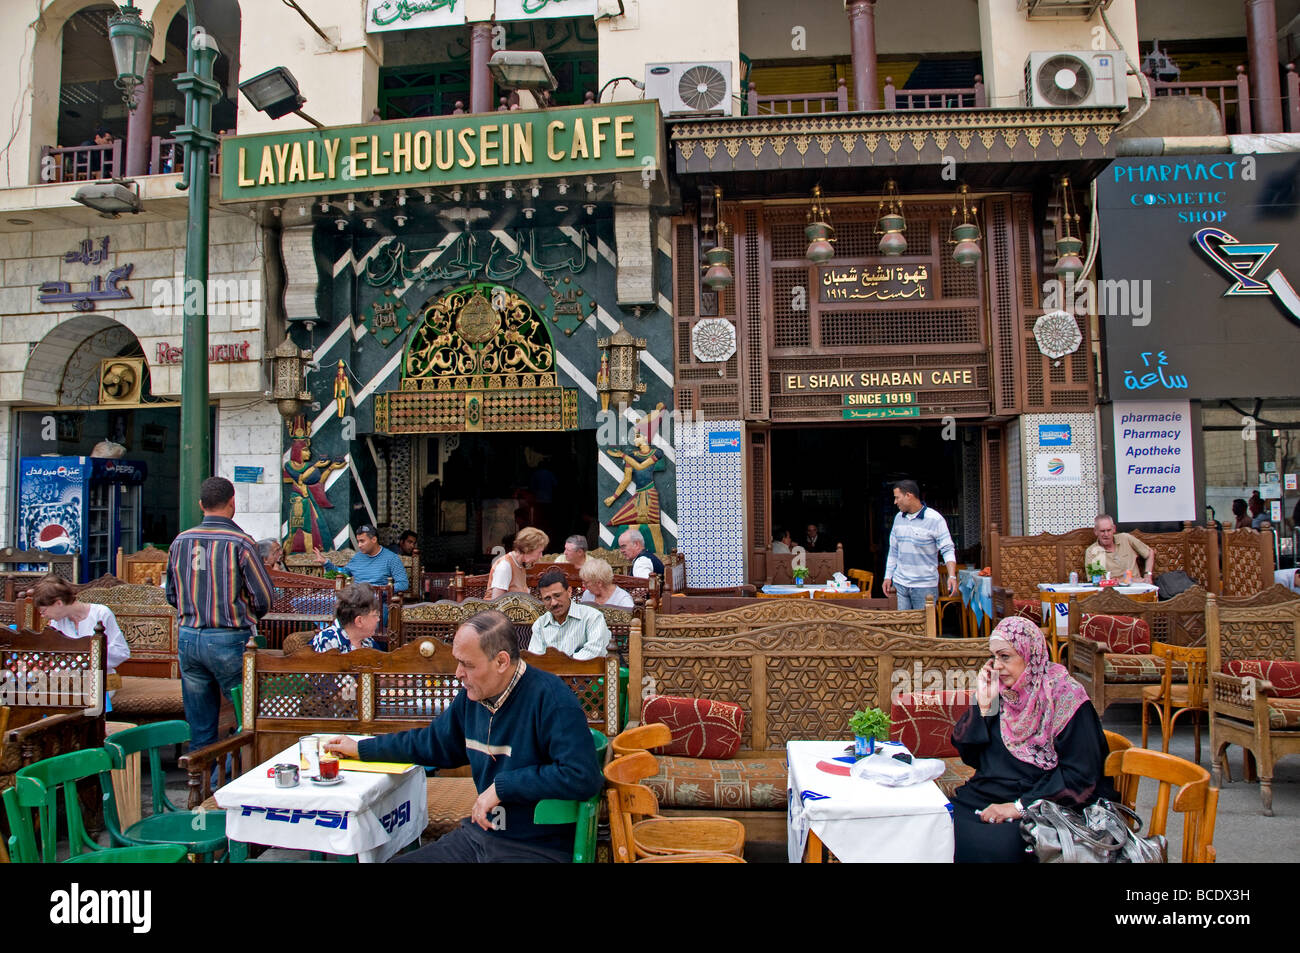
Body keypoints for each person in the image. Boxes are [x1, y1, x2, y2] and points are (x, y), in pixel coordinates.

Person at [323, 610, 603, 862]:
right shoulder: (472, 699)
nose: (458, 674)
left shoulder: (551, 699)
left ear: (501, 661)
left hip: (536, 847)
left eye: (467, 664)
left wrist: (503, 787)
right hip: (478, 837)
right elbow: (431, 744)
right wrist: (362, 749)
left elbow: (583, 776)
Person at [950, 616, 1115, 863]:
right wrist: (984, 707)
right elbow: (971, 756)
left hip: (1046, 804)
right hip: (989, 794)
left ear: (1031, 654)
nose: (997, 666)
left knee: (988, 848)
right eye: (994, 657)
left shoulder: (1065, 696)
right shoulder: (1003, 694)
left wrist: (1017, 807)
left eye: (1005, 657)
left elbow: (1081, 775)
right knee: (937, 825)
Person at [166, 476, 274, 751]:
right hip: (228, 638)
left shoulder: (180, 541)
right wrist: (246, 616)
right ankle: (227, 778)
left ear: (201, 504)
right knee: (247, 716)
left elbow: (171, 594)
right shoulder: (240, 542)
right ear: (232, 502)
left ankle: (203, 783)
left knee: (200, 727)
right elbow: (263, 597)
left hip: (188, 637)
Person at [31, 574, 130, 676]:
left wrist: (86, 657)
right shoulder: (57, 621)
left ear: (59, 603)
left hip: (99, 678)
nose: (43, 616)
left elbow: (121, 651)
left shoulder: (100, 613)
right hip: (67, 677)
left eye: (44, 611)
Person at [882, 480, 957, 610]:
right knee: (901, 627)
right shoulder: (898, 518)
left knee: (925, 628)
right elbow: (893, 551)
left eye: (897, 497)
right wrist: (888, 576)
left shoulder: (935, 519)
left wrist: (952, 576)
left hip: (925, 586)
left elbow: (947, 549)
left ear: (909, 496)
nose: (895, 502)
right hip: (900, 584)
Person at [529, 568, 611, 661]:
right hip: (549, 674)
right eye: (547, 598)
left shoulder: (592, 617)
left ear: (569, 592)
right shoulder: (540, 624)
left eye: (557, 595)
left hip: (584, 673)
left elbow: (596, 652)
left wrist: (563, 663)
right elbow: (535, 658)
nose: (554, 603)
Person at [312, 524, 409, 593]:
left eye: (362, 541)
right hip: (356, 601)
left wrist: (380, 590)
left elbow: (403, 584)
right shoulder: (358, 557)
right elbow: (343, 574)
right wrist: (326, 563)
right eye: (358, 541)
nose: (359, 545)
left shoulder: (391, 558)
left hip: (378, 603)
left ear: (374, 540)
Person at [311, 583, 382, 653]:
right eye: (375, 615)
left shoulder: (368, 642)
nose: (378, 619)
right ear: (359, 621)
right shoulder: (327, 641)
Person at [1083, 514, 1153, 582]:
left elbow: (1149, 553)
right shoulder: (1091, 551)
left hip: (1137, 587)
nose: (1106, 534)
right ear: (1096, 531)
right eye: (1102, 531)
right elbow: (1097, 581)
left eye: (1109, 530)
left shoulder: (1126, 538)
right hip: (1112, 590)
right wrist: (1124, 580)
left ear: (1114, 529)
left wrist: (1148, 575)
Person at [486, 526, 548, 599]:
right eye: (539, 552)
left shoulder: (520, 564)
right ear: (527, 549)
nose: (541, 556)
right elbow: (496, 601)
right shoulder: (505, 566)